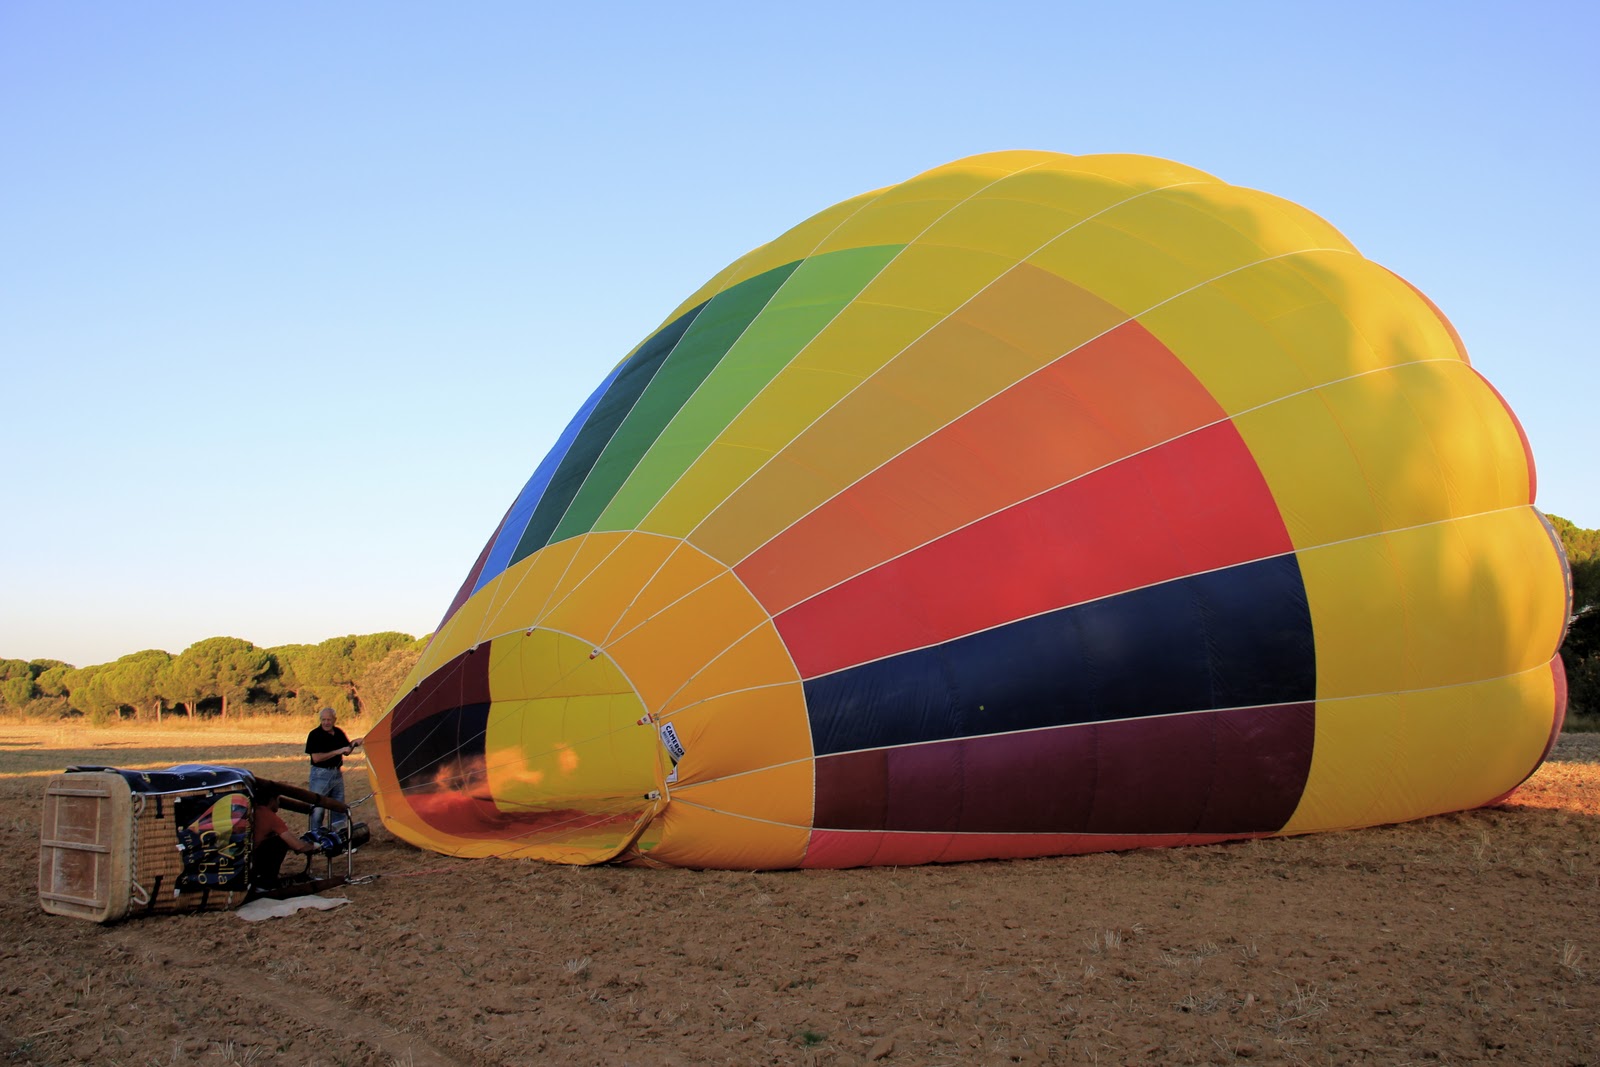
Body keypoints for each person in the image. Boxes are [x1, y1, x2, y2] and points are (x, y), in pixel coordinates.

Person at [305, 707, 361, 833]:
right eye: (323, 720)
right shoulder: (314, 735)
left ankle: (338, 838)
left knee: (338, 807)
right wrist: (337, 751)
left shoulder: (339, 732)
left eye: (329, 720)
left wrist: (354, 743)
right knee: (317, 809)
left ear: (334, 720)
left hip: (336, 774)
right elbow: (316, 758)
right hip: (320, 774)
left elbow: (346, 751)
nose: (326, 722)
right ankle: (315, 838)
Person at [250, 784, 317, 889]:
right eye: (278, 799)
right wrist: (313, 846)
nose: (279, 803)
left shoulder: (254, 811)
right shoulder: (270, 817)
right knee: (279, 842)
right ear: (272, 800)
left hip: (245, 861)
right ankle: (267, 880)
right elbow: (297, 846)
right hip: (253, 862)